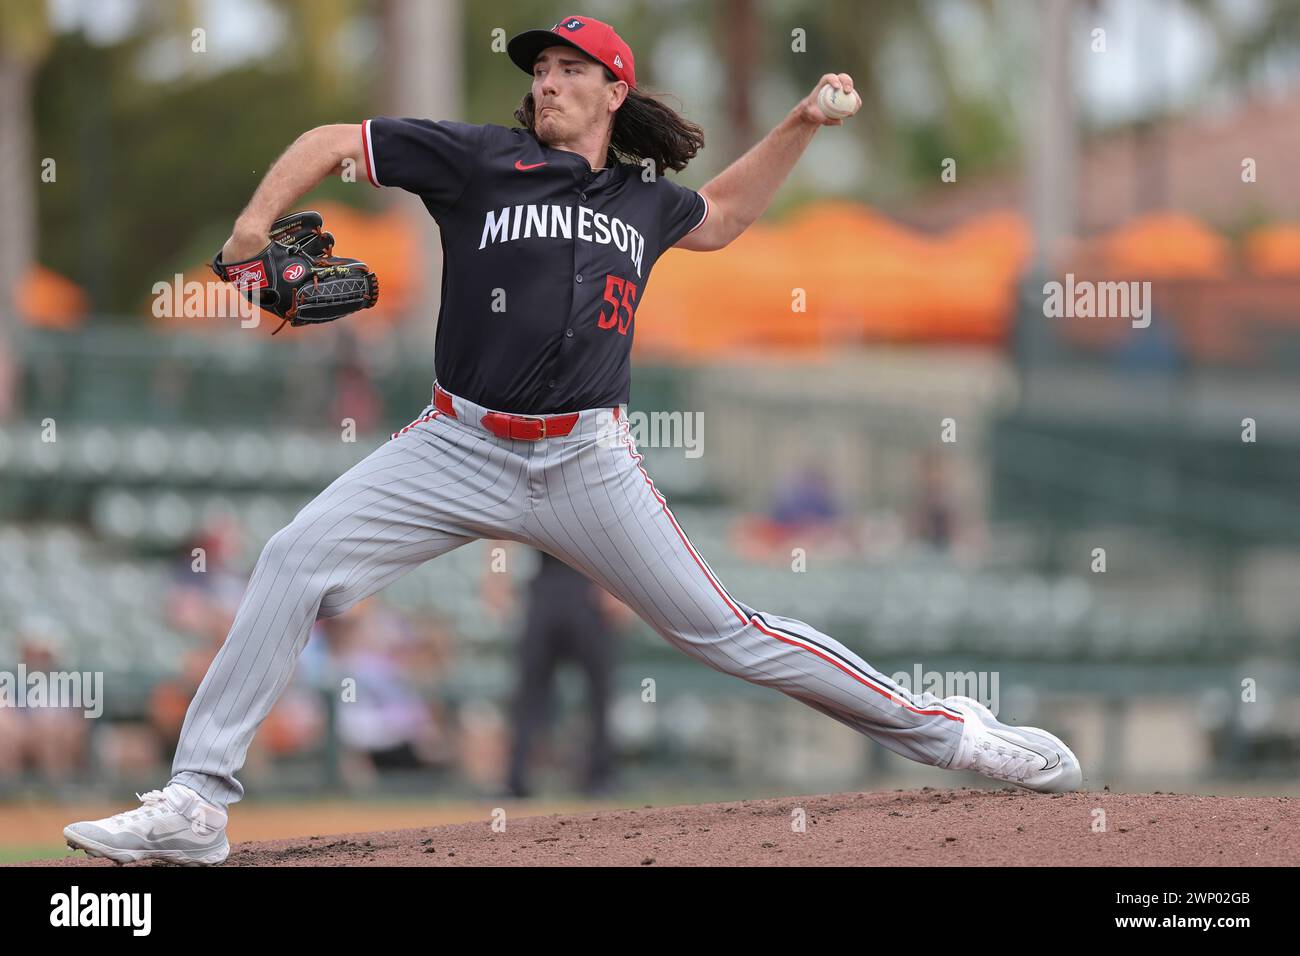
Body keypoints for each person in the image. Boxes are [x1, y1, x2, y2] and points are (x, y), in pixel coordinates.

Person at [64, 14, 1081, 866]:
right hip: (455, 443)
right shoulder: (477, 161)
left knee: (726, 630)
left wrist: (802, 120)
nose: (546, 81)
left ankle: (953, 732)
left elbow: (724, 214)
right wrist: (250, 230)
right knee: (291, 558)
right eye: (539, 69)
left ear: (611, 92)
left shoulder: (640, 201)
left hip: (585, 457)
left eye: (567, 69)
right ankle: (196, 800)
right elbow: (335, 137)